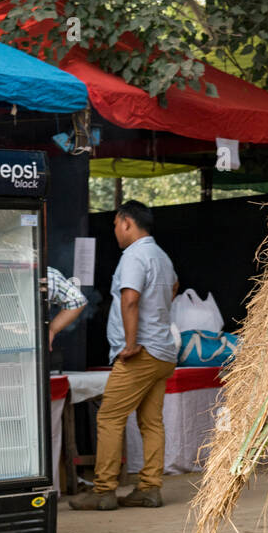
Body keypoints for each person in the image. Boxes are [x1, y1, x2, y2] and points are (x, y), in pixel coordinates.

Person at [70, 200, 179, 511]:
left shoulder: (134, 256)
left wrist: (130, 344)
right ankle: (149, 487)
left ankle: (104, 490)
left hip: (140, 353)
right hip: (163, 352)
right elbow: (173, 287)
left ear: (127, 222)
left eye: (116, 225)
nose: (115, 231)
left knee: (109, 417)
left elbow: (129, 300)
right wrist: (157, 319)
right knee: (151, 422)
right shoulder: (161, 256)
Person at [45, 266, 86, 350]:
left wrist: (51, 331)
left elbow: (77, 301)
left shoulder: (49, 275)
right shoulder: (48, 274)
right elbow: (77, 301)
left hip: (30, 339)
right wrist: (51, 330)